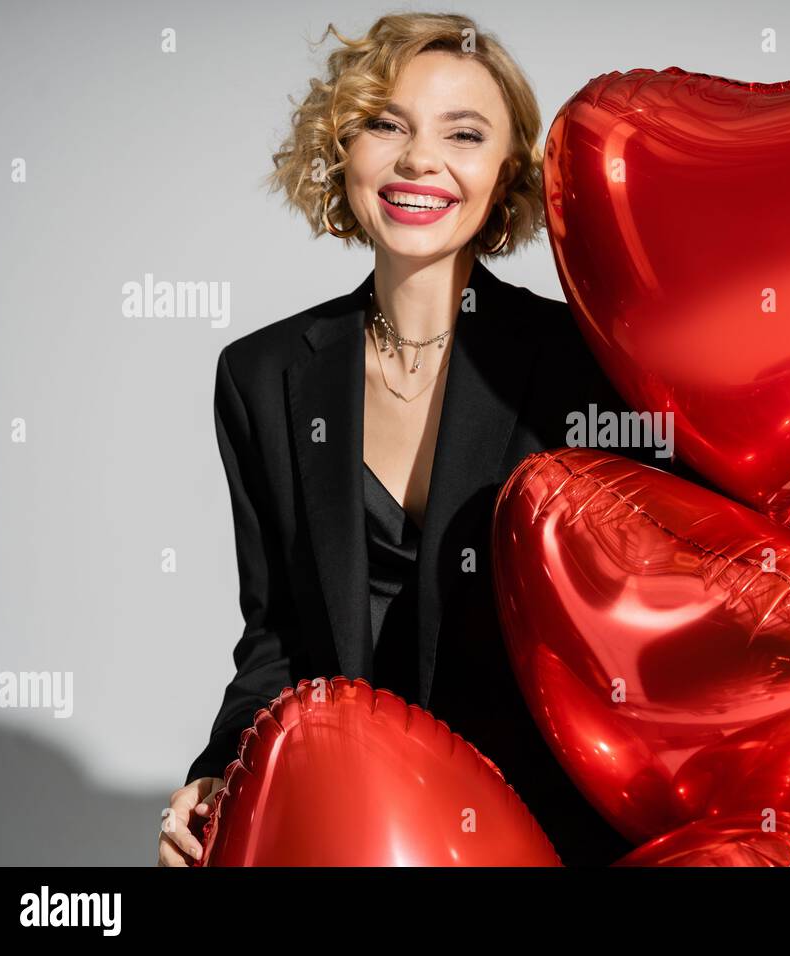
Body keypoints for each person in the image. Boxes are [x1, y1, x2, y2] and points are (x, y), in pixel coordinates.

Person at [158, 11, 679, 867]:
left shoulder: (589, 367)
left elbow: (651, 629)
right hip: (353, 827)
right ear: (344, 151)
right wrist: (220, 772)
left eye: (463, 133)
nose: (418, 160)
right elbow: (277, 641)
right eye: (385, 124)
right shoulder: (258, 375)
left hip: (553, 834)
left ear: (507, 171)